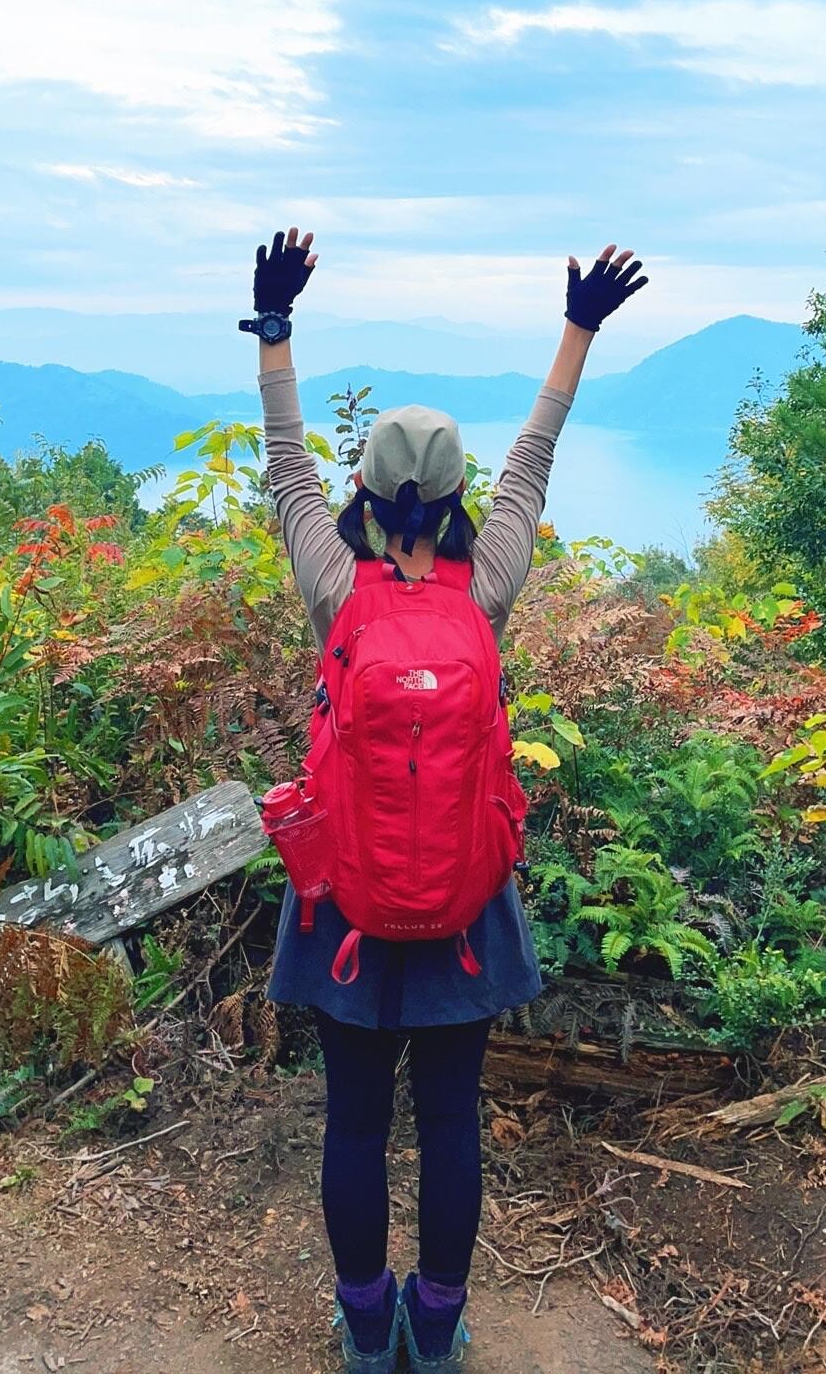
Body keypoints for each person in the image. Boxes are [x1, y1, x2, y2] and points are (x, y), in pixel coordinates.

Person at [242, 228, 648, 1372]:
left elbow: (283, 465)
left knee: (359, 1124)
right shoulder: (493, 579)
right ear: (460, 495)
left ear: (365, 491)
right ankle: (438, 1321)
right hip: (468, 898)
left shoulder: (336, 586)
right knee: (454, 1122)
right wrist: (579, 329)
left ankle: (367, 1333)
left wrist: (275, 330)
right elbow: (537, 455)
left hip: (348, 906)